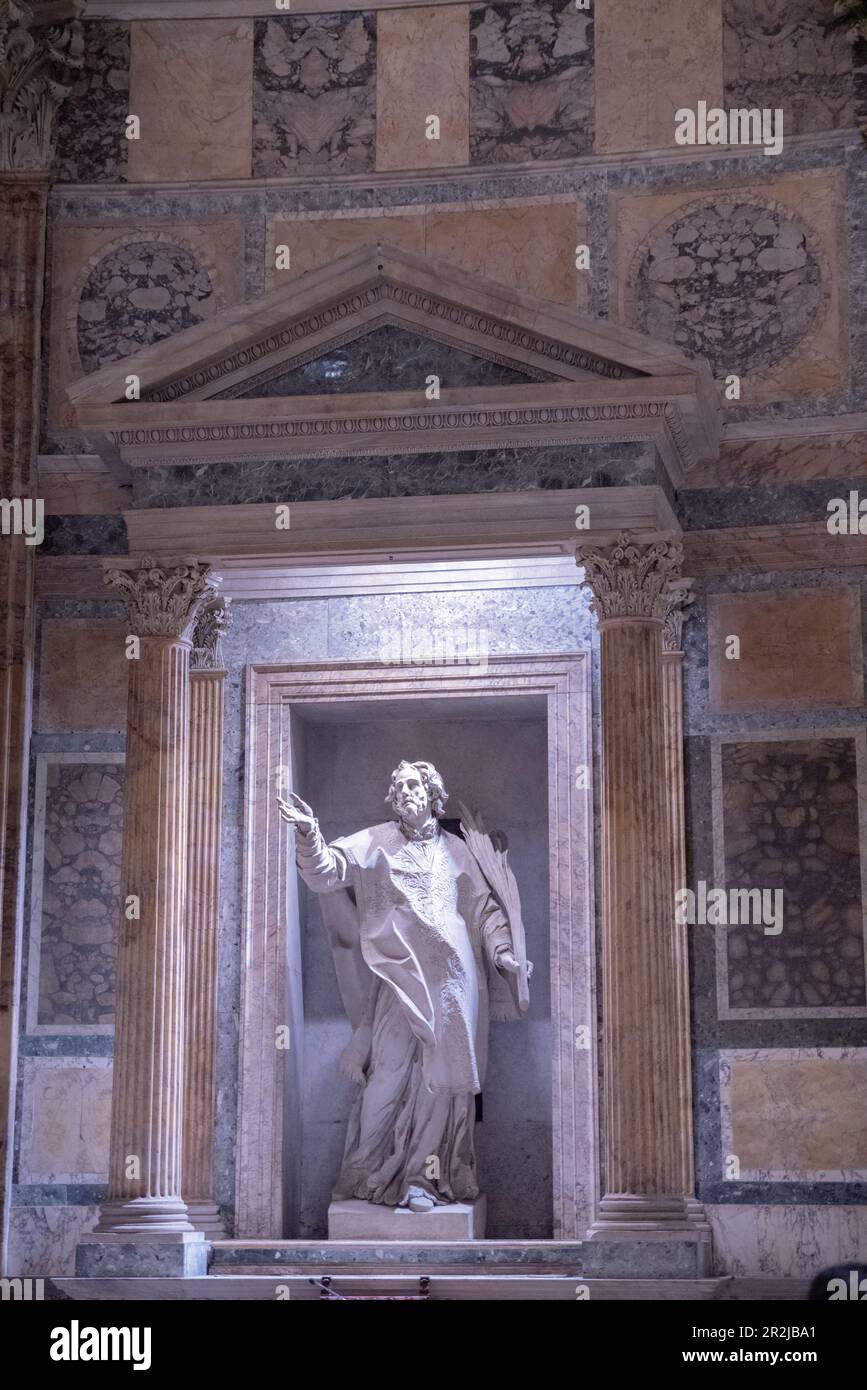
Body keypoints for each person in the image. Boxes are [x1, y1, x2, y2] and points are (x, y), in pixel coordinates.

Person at [277, 759, 529, 1213]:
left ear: (432, 794)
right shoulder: (375, 843)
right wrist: (309, 835)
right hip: (398, 975)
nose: (404, 792)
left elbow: (486, 910)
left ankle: (422, 1179)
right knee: (387, 1074)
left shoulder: (458, 851)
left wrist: (503, 954)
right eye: (398, 787)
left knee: (441, 1086)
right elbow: (326, 873)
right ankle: (363, 1167)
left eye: (413, 785)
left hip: (455, 983)